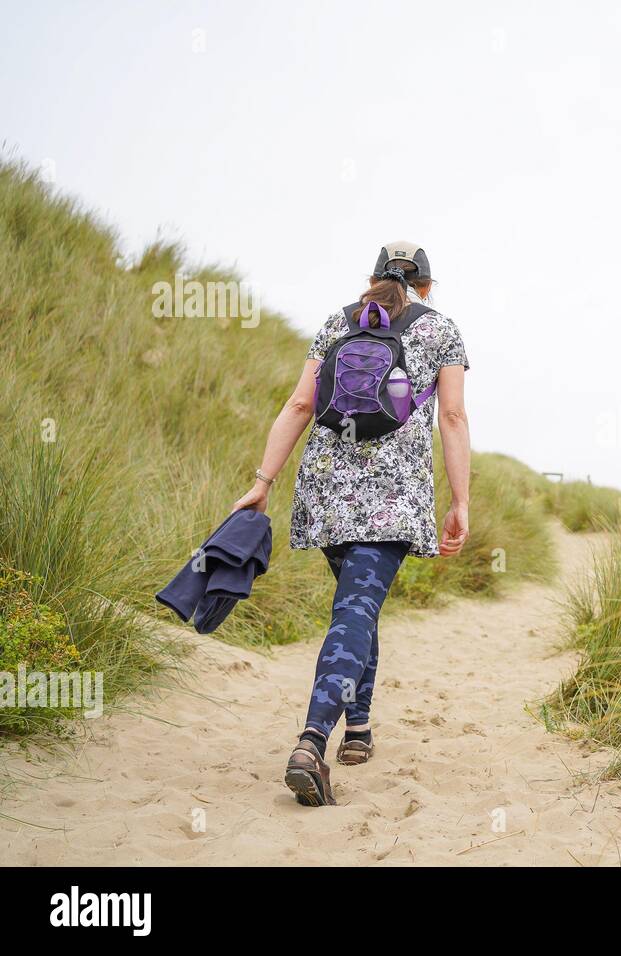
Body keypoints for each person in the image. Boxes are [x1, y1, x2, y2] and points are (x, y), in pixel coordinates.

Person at [229, 240, 470, 806]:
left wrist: (263, 483)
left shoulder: (337, 323)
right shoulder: (442, 331)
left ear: (373, 278)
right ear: (425, 287)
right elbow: (453, 416)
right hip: (394, 496)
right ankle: (312, 741)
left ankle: (357, 730)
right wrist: (460, 501)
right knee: (357, 609)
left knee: (357, 605)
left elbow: (298, 405)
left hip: (327, 491)